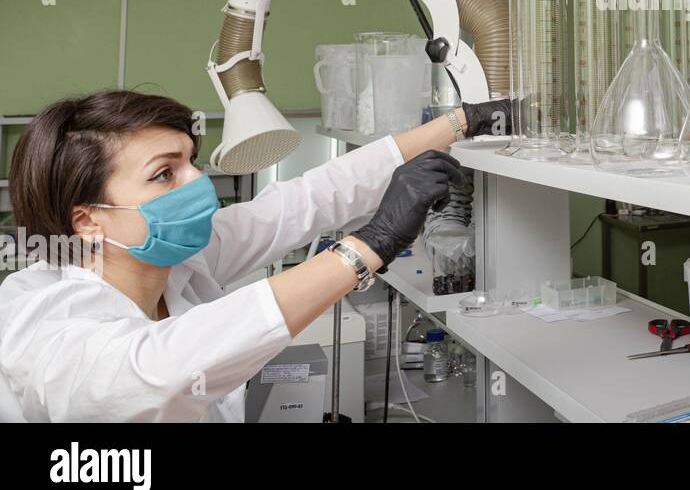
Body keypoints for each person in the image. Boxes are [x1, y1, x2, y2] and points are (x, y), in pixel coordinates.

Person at [0, 89, 508, 422]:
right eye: (164, 173)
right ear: (87, 220)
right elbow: (154, 373)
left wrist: (461, 122)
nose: (198, 182)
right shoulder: (42, 320)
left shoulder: (173, 262)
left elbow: (307, 200)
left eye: (191, 161)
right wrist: (370, 244)